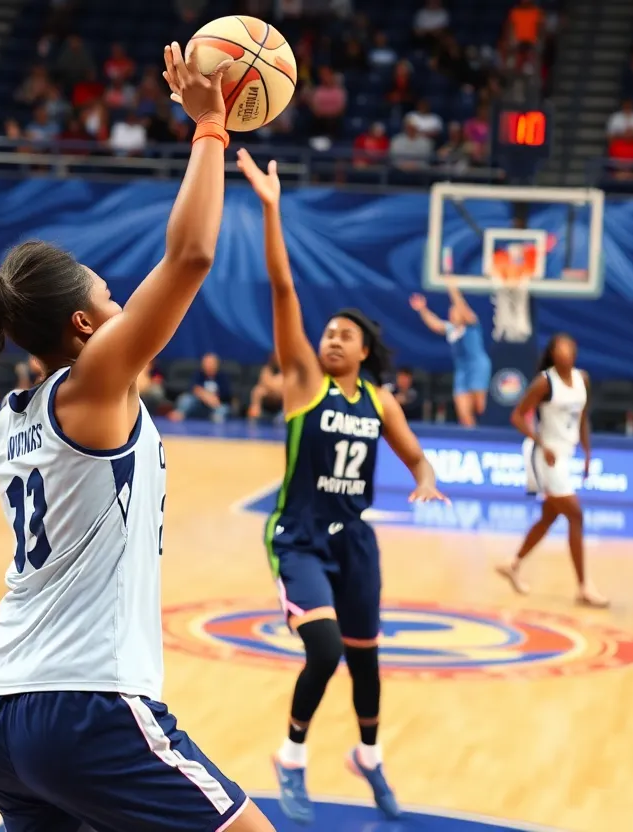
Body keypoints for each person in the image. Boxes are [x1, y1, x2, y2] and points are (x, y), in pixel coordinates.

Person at [0, 43, 276, 832]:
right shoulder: (96, 383)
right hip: (84, 704)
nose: (124, 306)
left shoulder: (10, 421)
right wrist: (209, 127)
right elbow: (192, 255)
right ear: (84, 325)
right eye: (112, 297)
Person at [237, 149, 445, 824]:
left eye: (343, 335)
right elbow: (283, 290)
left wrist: (426, 480)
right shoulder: (304, 383)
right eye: (327, 332)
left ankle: (369, 756)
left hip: (355, 541)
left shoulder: (381, 402)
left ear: (363, 351)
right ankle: (291, 756)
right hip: (299, 539)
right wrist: (272, 209)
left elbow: (416, 457)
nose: (330, 339)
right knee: (323, 649)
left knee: (366, 661)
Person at [496, 333, 609, 608]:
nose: (564, 351)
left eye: (568, 347)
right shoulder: (545, 382)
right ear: (552, 353)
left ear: (575, 351)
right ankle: (584, 587)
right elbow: (517, 416)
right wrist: (540, 442)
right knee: (576, 515)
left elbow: (582, 418)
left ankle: (514, 564)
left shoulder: (582, 379)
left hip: (566, 455)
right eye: (559, 347)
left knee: (549, 517)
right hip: (546, 457)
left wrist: (587, 452)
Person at [409, 281, 491, 426]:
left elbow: (460, 303)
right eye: (450, 311)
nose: (452, 313)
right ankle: (471, 434)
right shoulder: (450, 329)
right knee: (463, 410)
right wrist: (422, 309)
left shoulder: (471, 324)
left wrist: (451, 286)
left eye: (455, 310)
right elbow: (434, 324)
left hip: (477, 366)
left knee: (479, 407)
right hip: (462, 370)